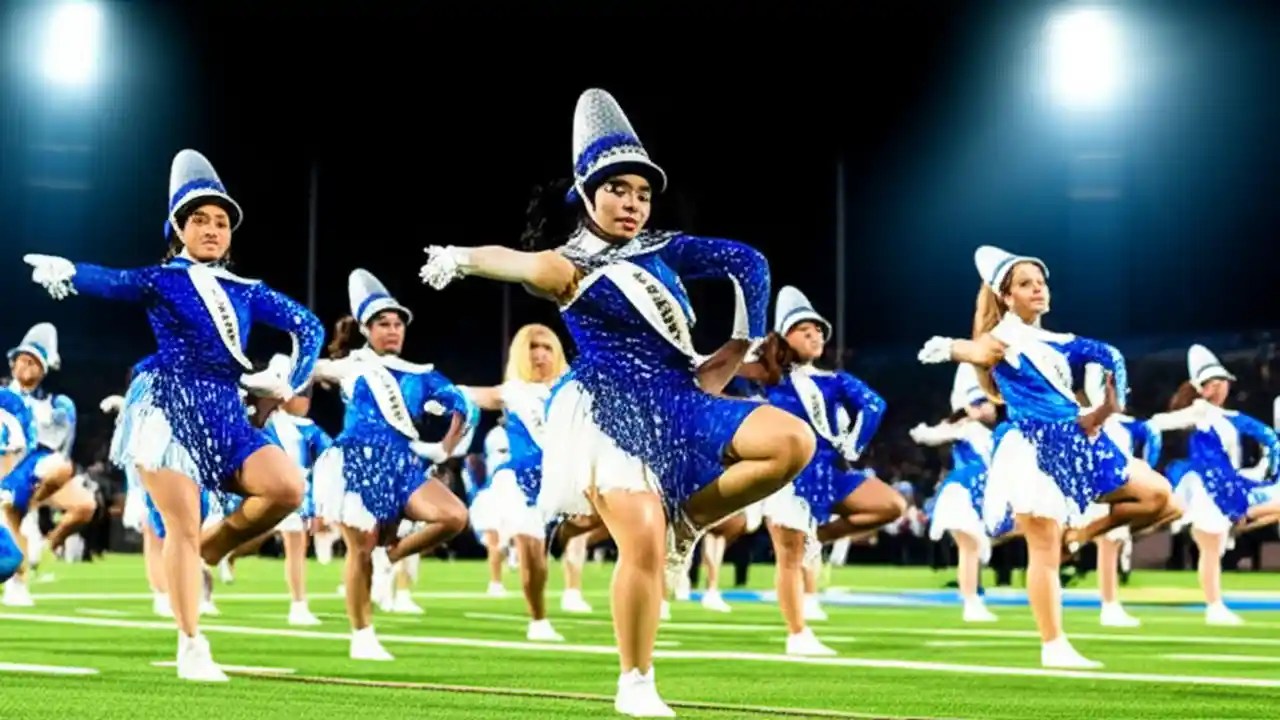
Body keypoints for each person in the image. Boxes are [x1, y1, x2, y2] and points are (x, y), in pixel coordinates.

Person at [419, 88, 814, 717]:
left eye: (642, 192)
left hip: (680, 396)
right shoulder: (565, 265)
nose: (632, 203)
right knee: (644, 543)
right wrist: (461, 259)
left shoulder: (664, 248)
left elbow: (749, 261)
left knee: (791, 443)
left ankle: (690, 519)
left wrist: (736, 347)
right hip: (608, 412)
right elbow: (515, 262)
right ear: (586, 192)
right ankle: (635, 681)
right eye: (617, 190)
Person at [23, 149, 324, 681]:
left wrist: (287, 382)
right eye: (200, 220)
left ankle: (217, 546)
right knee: (180, 527)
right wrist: (69, 271)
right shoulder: (162, 280)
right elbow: (113, 282)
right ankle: (191, 646)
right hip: (168, 410)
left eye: (221, 222)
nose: (212, 230)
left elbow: (309, 327)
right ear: (179, 229)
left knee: (287, 488)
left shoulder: (248, 291)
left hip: (227, 413)